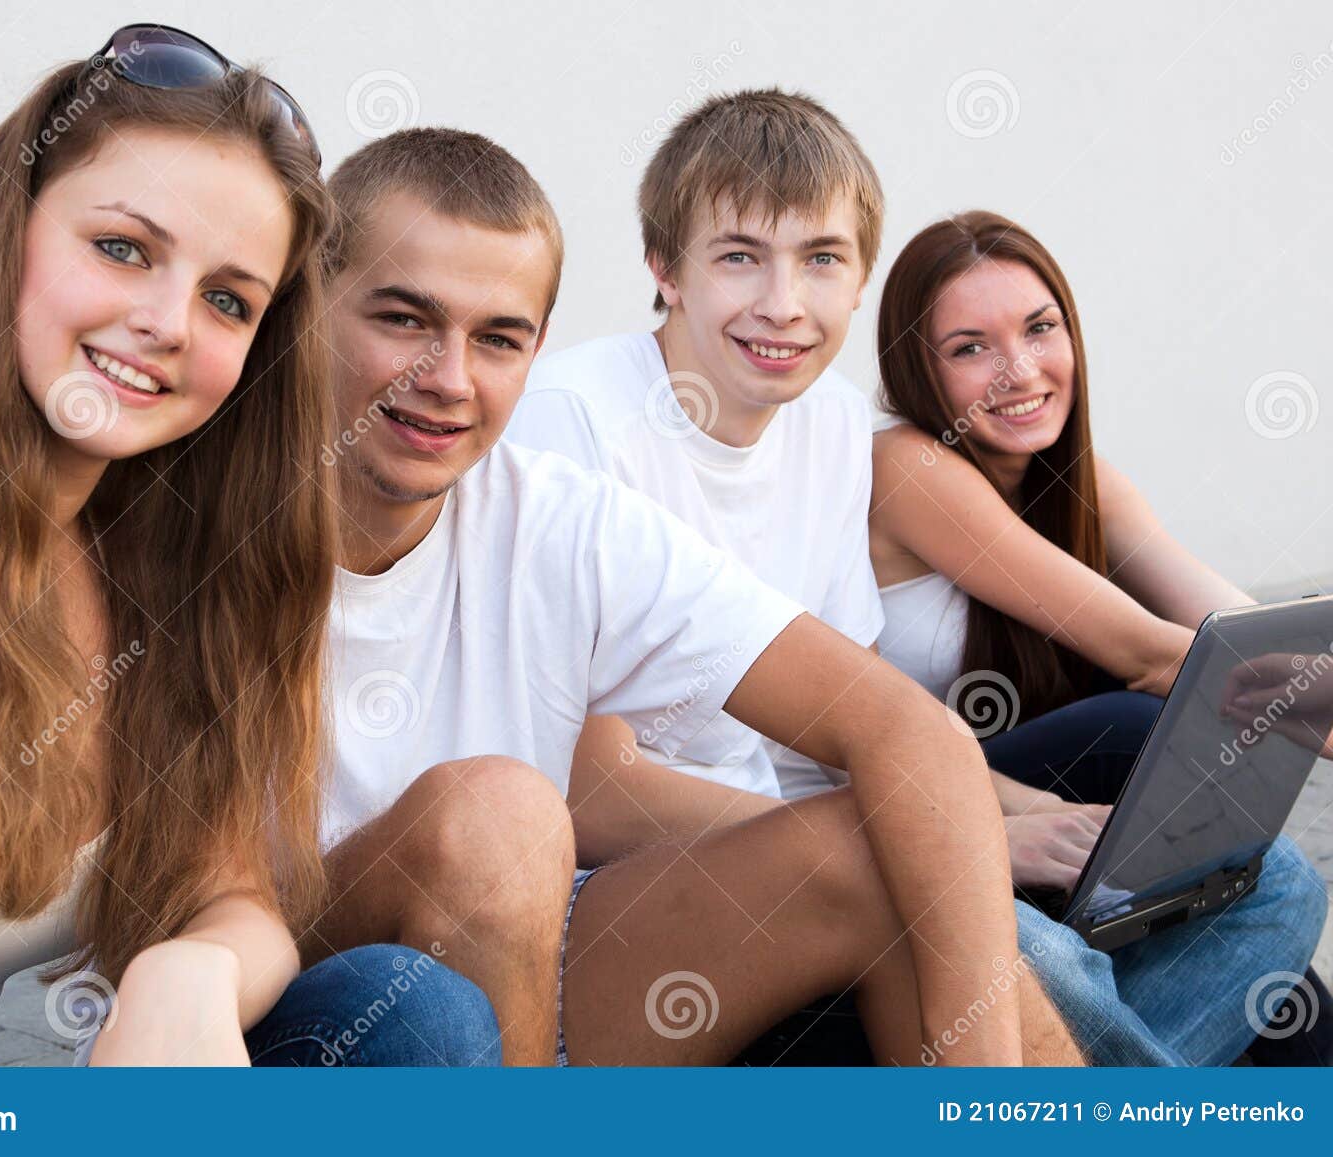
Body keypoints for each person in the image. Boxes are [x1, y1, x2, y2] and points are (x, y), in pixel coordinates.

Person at [505, 90, 1325, 1065]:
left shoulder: (833, 434)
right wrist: (961, 840)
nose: (783, 303)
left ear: (859, 281)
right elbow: (587, 793)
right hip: (630, 904)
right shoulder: (576, 423)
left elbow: (868, 734)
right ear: (662, 268)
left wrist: (1016, 811)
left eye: (819, 258)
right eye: (738, 256)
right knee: (983, 917)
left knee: (1271, 876)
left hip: (816, 842)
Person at [0, 24, 497, 1069]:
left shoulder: (161, 573)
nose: (169, 321)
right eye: (124, 248)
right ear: (8, 236)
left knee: (410, 1009)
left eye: (227, 299)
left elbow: (235, 896)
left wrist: (194, 968)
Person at [306, 125, 1085, 1067]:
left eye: (499, 337)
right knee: (495, 827)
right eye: (402, 319)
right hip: (301, 981)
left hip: (549, 948)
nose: (449, 379)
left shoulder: (560, 515)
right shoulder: (204, 509)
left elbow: (904, 732)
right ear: (309, 300)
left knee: (900, 857)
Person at [869, 208, 1328, 1063]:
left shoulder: (1086, 484)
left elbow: (1229, 620)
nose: (1019, 370)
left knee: (1291, 1002)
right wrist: (1301, 690)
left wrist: (1315, 675)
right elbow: (1152, 653)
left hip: (1053, 821)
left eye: (1040, 329)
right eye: (971, 348)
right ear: (916, 370)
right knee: (1132, 722)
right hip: (925, 810)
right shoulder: (907, 466)